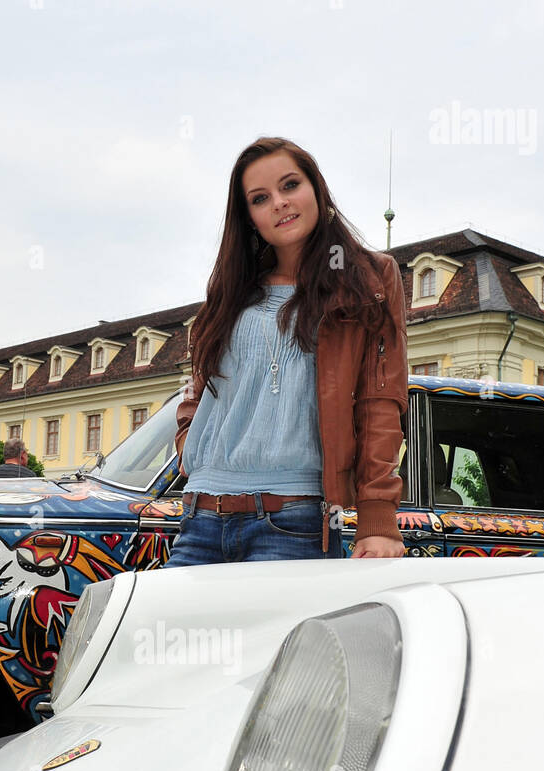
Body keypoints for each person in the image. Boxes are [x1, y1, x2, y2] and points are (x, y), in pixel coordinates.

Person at [166, 135, 407, 566]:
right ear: (250, 218)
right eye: (260, 198)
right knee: (174, 635)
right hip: (200, 516)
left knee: (283, 638)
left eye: (290, 185)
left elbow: (380, 400)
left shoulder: (368, 280)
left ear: (317, 189)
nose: (278, 202)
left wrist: (377, 518)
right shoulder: (233, 290)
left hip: (292, 521)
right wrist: (188, 437)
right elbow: (200, 383)